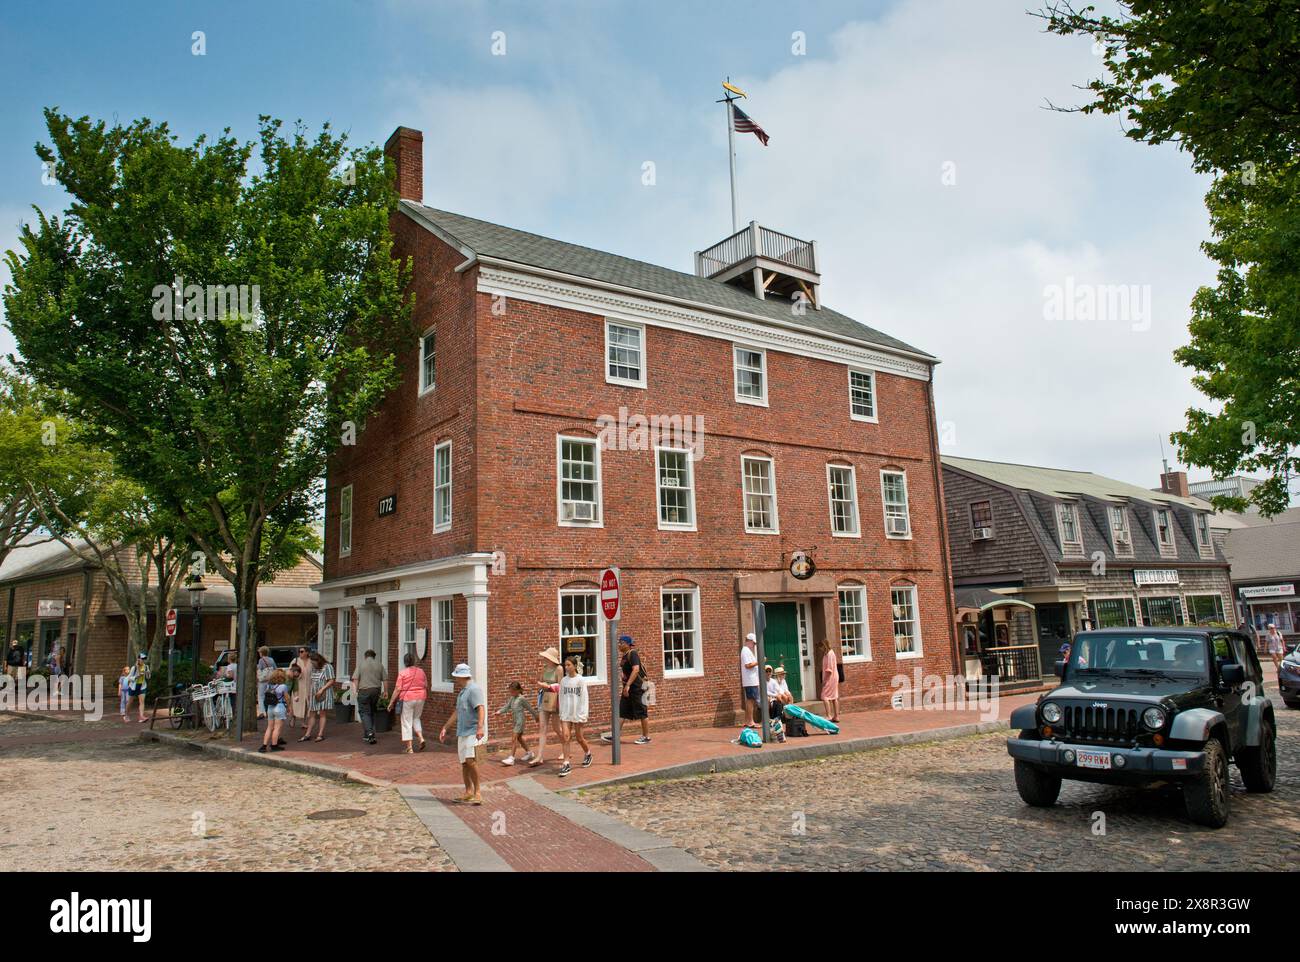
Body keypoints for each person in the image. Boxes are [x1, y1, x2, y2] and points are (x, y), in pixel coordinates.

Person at [439, 663, 486, 805]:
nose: (455, 680)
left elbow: (481, 709)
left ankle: (478, 792)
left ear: (462, 676)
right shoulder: (462, 692)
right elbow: (457, 712)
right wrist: (445, 727)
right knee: (464, 763)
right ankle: (468, 792)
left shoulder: (474, 689)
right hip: (462, 732)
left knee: (471, 761)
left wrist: (480, 727)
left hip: (472, 731)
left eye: (456, 677)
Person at [602, 634, 651, 744]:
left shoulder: (632, 653)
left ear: (628, 644)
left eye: (622, 643)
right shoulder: (625, 656)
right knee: (622, 711)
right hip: (627, 688)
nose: (619, 645)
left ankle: (646, 736)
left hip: (637, 688)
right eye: (619, 642)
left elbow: (636, 670)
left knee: (642, 711)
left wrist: (628, 685)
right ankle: (615, 735)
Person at [528, 647, 565, 767]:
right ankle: (540, 756)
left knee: (556, 728)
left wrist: (548, 685)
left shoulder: (559, 669)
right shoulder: (544, 669)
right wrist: (537, 684)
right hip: (545, 699)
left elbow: (561, 686)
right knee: (542, 728)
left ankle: (566, 748)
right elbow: (540, 683)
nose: (544, 659)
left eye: (546, 657)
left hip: (555, 701)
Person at [557, 657, 592, 776]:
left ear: (575, 666)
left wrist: (583, 714)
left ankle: (588, 753)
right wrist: (561, 712)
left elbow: (584, 698)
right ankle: (566, 763)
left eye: (568, 665)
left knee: (579, 738)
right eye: (565, 665)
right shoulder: (563, 681)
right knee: (566, 737)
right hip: (566, 713)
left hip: (577, 713)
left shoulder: (580, 680)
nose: (566, 668)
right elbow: (561, 697)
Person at [496, 681, 537, 766]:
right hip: (515, 722)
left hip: (520, 722)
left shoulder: (522, 699)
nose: (511, 693)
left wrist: (536, 716)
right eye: (510, 691)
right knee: (519, 738)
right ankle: (529, 753)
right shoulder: (512, 698)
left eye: (513, 691)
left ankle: (511, 758)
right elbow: (507, 707)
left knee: (514, 738)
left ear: (518, 690)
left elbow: (530, 708)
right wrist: (499, 711)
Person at [392, 652, 427, 754]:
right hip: (421, 697)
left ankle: (409, 747)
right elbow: (426, 685)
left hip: (407, 698)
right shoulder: (421, 671)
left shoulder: (403, 673)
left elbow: (398, 689)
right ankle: (421, 738)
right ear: (414, 661)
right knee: (416, 718)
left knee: (406, 722)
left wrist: (391, 702)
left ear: (405, 662)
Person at [352, 648, 387, 745]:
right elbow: (385, 679)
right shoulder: (379, 665)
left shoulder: (361, 664)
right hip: (376, 691)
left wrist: (355, 691)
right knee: (371, 711)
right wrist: (386, 691)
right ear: (374, 656)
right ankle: (367, 735)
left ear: (365, 656)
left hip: (364, 691)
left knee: (364, 712)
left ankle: (370, 732)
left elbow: (355, 679)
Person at [301, 651, 335, 742]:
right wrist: (309, 692)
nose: (312, 664)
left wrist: (322, 689)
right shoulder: (314, 668)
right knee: (312, 713)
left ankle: (320, 734)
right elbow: (312, 680)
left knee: (322, 713)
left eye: (313, 662)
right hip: (314, 693)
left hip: (323, 693)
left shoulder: (327, 666)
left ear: (318, 660)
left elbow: (331, 680)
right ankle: (307, 734)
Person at [259, 669, 290, 753]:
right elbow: (286, 698)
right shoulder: (283, 686)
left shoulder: (269, 686)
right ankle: (274, 745)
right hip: (279, 706)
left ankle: (264, 746)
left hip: (270, 707)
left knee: (269, 727)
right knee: (277, 728)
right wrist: (288, 707)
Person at [740, 632, 761, 729]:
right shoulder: (745, 651)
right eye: (754, 643)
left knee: (750, 700)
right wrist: (759, 662)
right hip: (750, 680)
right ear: (749, 641)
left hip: (751, 680)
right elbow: (748, 665)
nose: (754, 645)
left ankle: (747, 720)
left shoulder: (747, 650)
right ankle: (750, 721)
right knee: (751, 701)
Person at [290, 646, 313, 729]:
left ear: (307, 652)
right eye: (299, 651)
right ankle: (293, 717)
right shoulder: (295, 661)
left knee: (306, 705)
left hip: (308, 686)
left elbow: (313, 674)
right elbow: (290, 673)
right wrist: (297, 675)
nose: (300, 653)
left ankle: (303, 722)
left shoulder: (311, 662)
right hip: (298, 686)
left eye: (302, 651)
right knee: (296, 704)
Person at [125, 653, 151, 723]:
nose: (143, 660)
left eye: (144, 659)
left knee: (142, 702)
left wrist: (148, 673)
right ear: (138, 659)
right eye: (141, 659)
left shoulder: (146, 667)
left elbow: (148, 677)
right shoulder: (134, 667)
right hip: (133, 686)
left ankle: (141, 717)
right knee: (130, 702)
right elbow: (129, 678)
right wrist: (137, 676)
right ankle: (126, 715)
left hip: (142, 686)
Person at [819, 639, 840, 722]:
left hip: (830, 677)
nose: (820, 649)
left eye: (821, 647)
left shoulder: (829, 654)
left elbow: (829, 669)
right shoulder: (829, 653)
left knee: (824, 696)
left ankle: (829, 715)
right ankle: (836, 716)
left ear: (824, 646)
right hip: (834, 677)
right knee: (834, 697)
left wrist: (824, 680)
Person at [255, 646, 276, 720]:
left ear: (261, 653)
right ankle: (270, 712)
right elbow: (275, 668)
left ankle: (262, 712)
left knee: (261, 697)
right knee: (270, 695)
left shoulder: (261, 660)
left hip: (263, 681)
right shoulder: (271, 659)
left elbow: (260, 669)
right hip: (270, 681)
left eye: (259, 652)